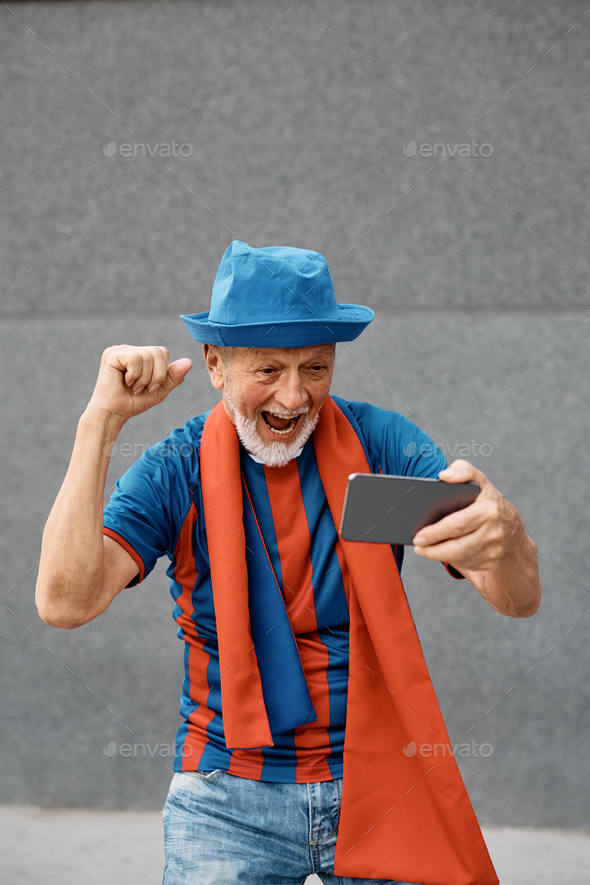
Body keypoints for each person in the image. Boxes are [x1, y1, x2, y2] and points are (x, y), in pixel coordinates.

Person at [36, 240, 541, 885]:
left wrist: (505, 540)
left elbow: (516, 597)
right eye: (269, 370)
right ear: (216, 365)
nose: (295, 396)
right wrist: (101, 421)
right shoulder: (175, 468)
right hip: (224, 798)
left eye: (316, 367)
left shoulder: (382, 444)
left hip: (379, 778)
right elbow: (63, 603)